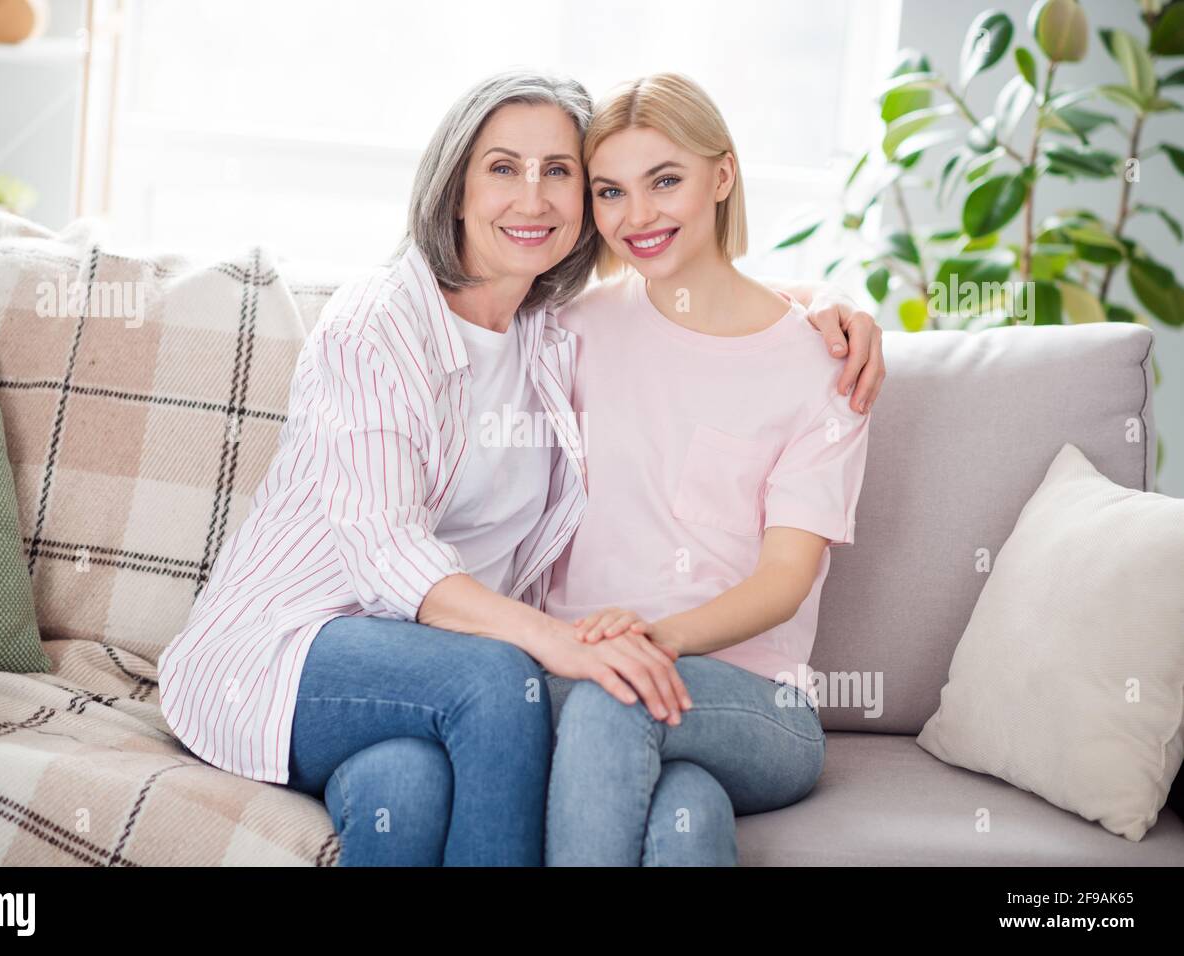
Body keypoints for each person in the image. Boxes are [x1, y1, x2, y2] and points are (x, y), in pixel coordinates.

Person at [157, 70, 885, 866]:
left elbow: (718, 319)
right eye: (503, 168)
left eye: (559, 173)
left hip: (465, 672)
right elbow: (387, 555)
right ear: (455, 188)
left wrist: (831, 304)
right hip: (301, 646)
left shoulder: (550, 328)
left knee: (411, 784)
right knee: (511, 689)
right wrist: (560, 642)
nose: (533, 199)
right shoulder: (397, 328)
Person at [540, 72, 876, 866]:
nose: (638, 216)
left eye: (666, 181)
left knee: (615, 695)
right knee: (686, 817)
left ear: (722, 176)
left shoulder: (823, 367)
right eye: (610, 191)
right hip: (571, 674)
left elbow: (784, 579)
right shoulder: (570, 332)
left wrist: (656, 638)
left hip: (755, 703)